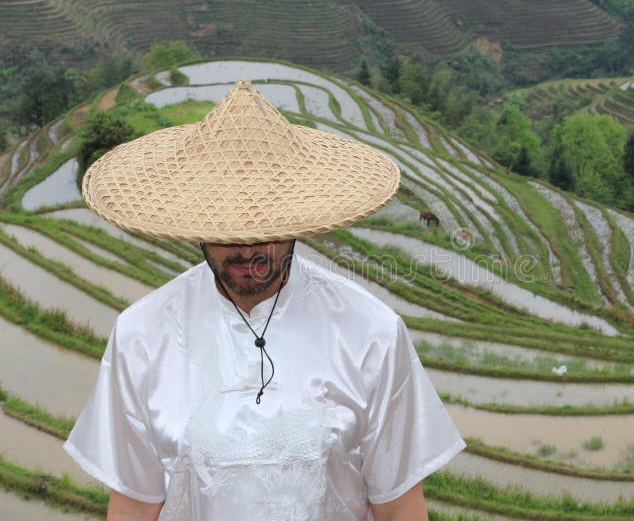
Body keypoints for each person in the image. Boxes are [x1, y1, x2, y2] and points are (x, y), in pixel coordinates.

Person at [64, 80, 465, 520]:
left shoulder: (372, 333)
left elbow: (399, 507)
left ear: (297, 217)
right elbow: (134, 504)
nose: (247, 249)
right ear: (197, 222)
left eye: (265, 224)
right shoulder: (142, 335)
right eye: (226, 226)